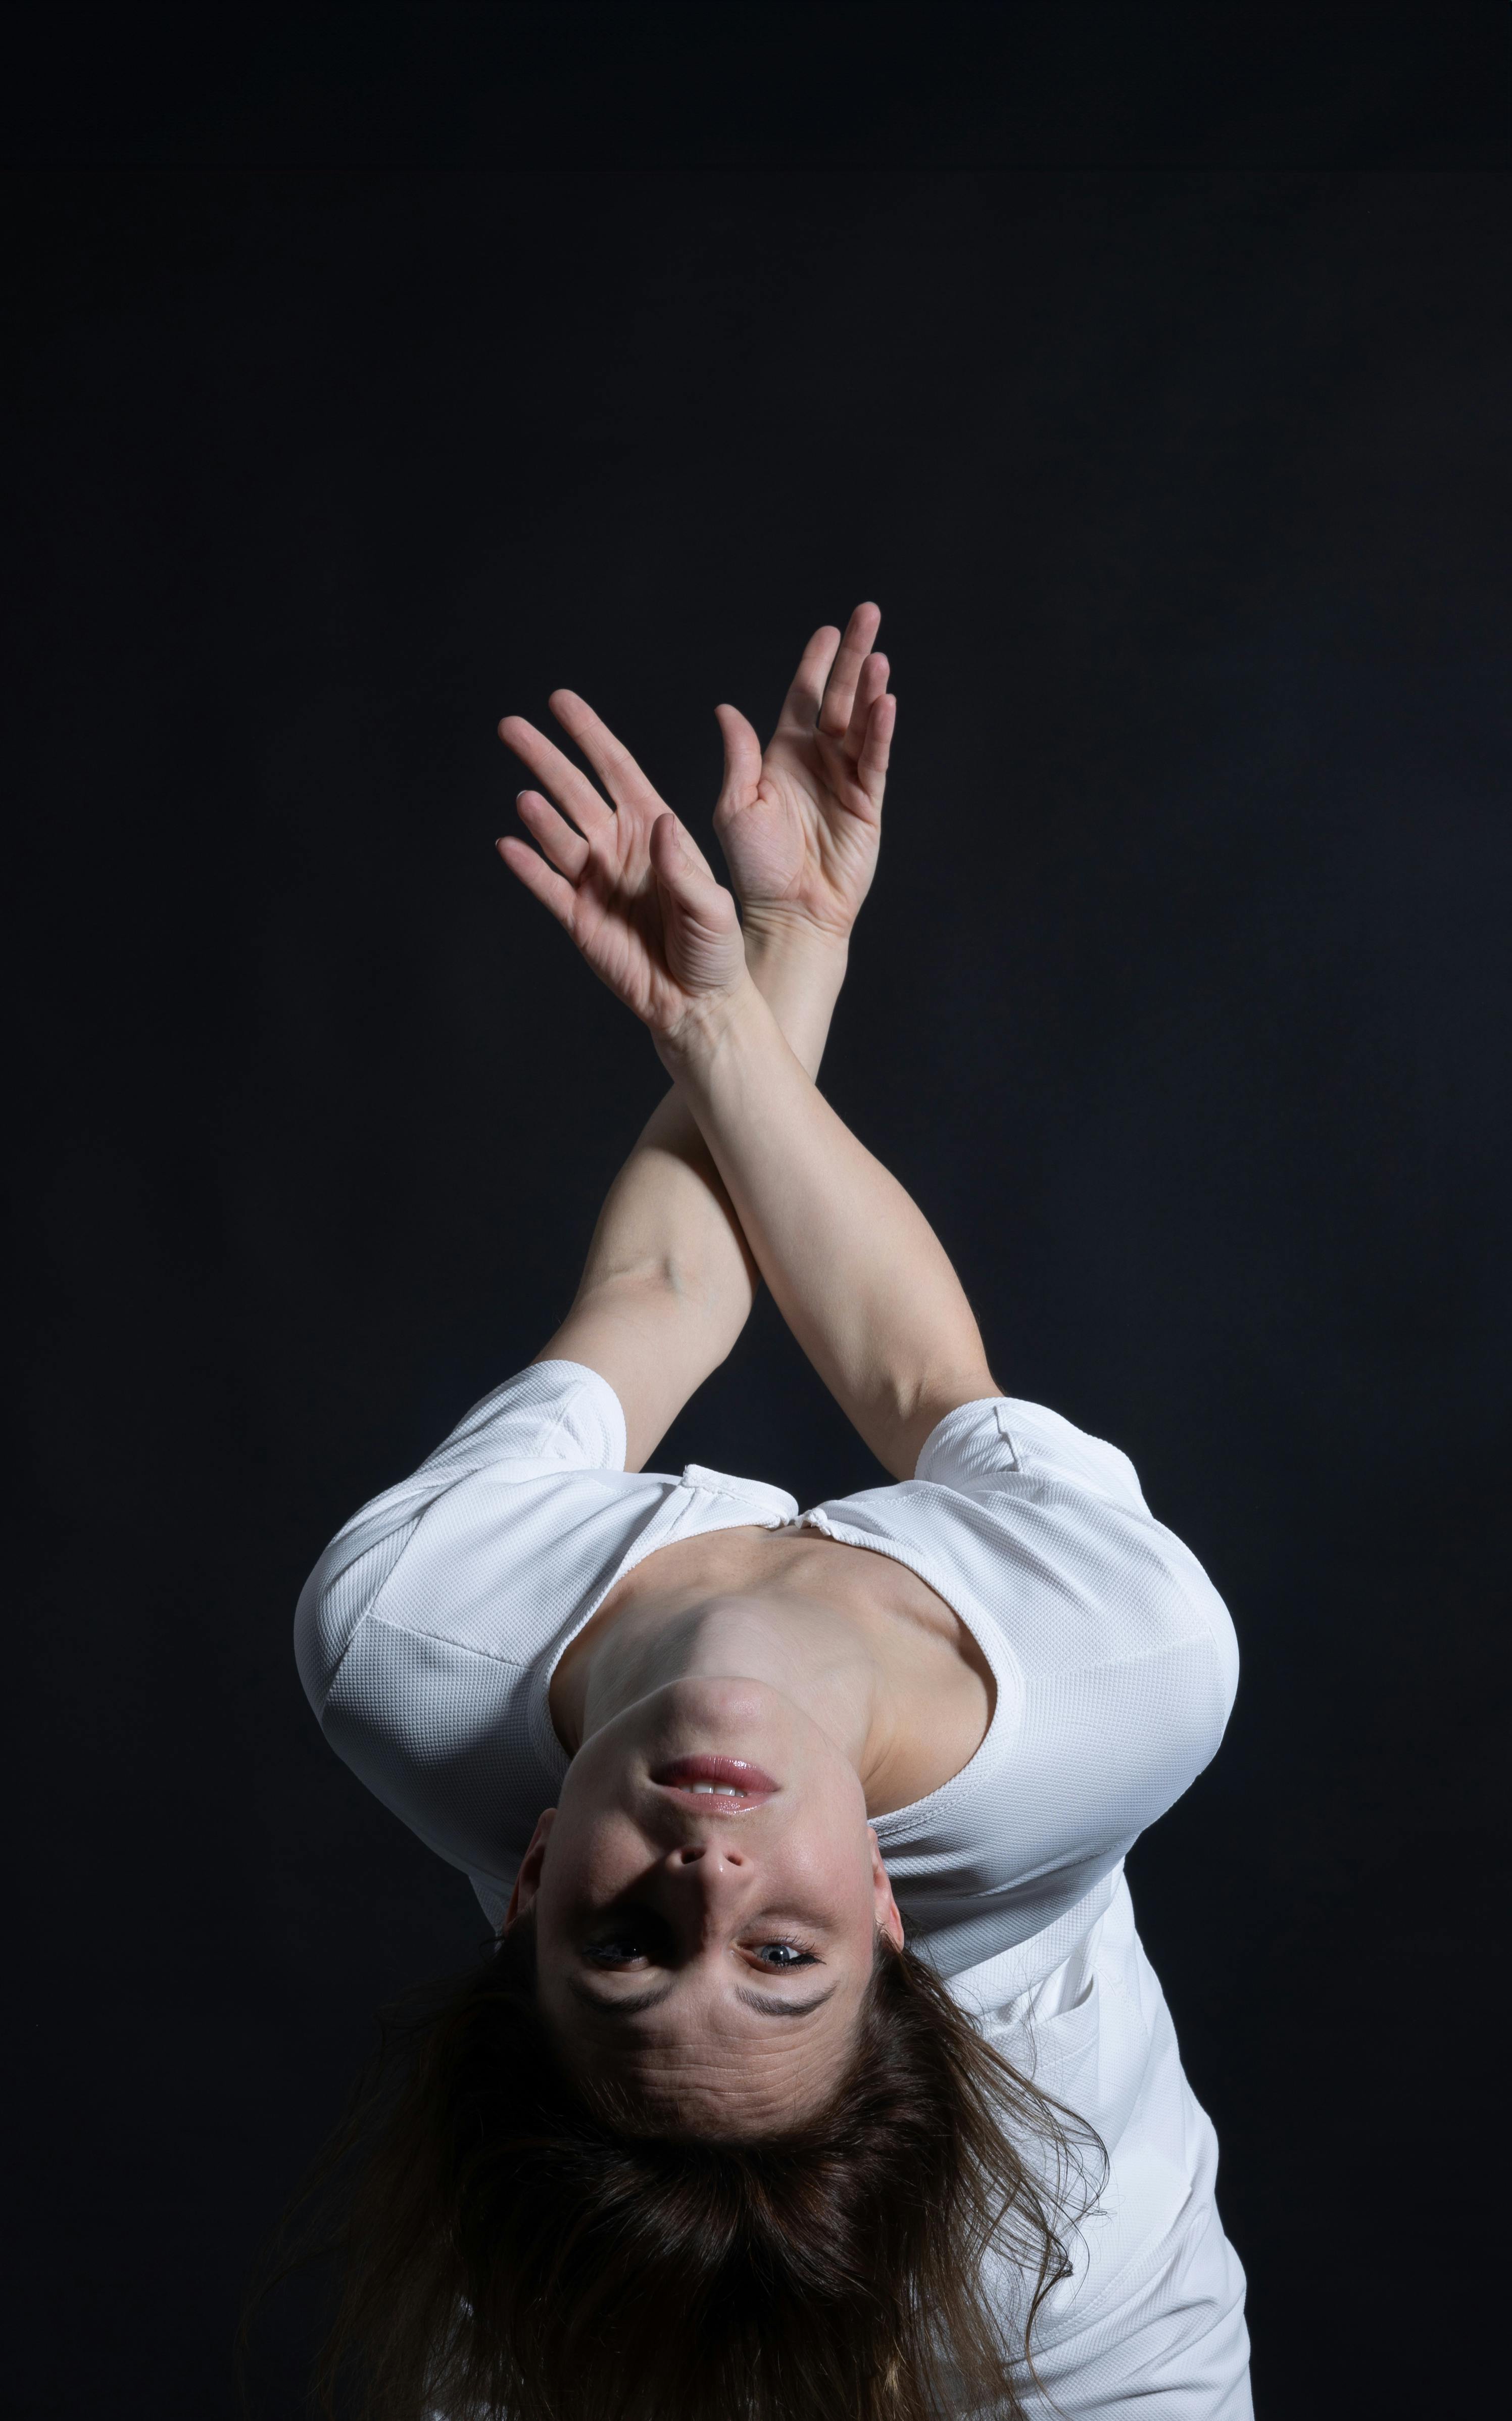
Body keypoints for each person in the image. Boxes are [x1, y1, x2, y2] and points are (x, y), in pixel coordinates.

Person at [289, 607, 1252, 2420]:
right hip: (884, 2325)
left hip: (728, 2329)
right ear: (888, 1918)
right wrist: (760, 974)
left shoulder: (416, 1637)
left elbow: (657, 1289)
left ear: (522, 1893)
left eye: (629, 1944)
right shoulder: (1121, 1670)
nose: (710, 1877)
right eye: (782, 1956)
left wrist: (763, 970)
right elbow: (912, 1378)